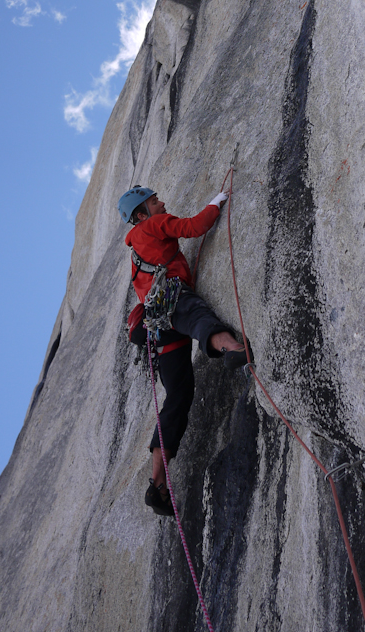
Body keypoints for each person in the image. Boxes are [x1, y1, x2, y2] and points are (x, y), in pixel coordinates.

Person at [118, 185, 248, 516]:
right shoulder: (151, 226)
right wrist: (215, 202)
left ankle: (158, 484)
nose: (163, 202)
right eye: (154, 200)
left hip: (158, 326)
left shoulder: (136, 247)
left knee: (178, 396)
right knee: (199, 317)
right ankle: (232, 348)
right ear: (143, 213)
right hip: (173, 300)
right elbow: (192, 228)